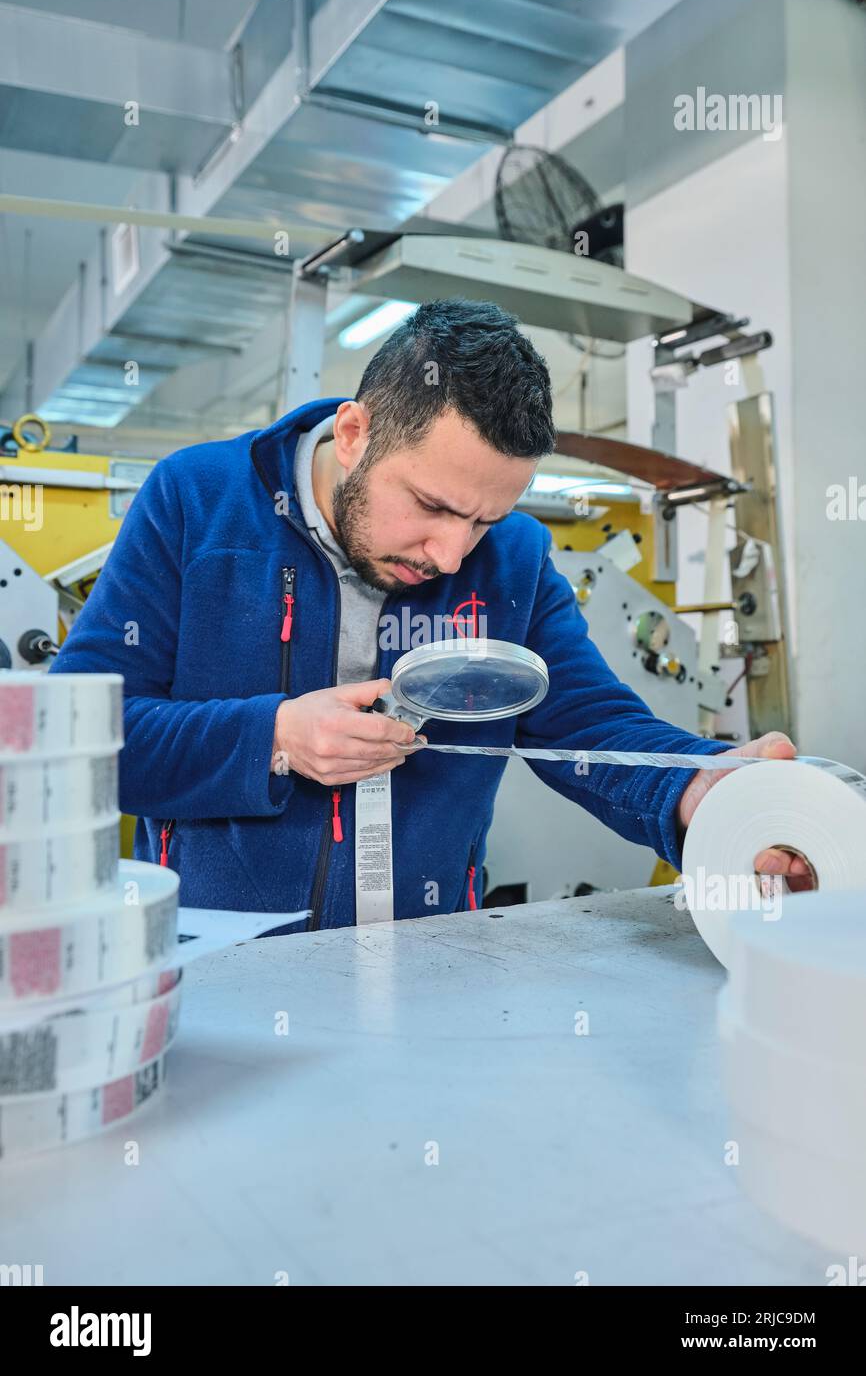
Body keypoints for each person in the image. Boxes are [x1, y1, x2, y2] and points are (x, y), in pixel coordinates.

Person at [52, 300, 810, 929]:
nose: (451, 556)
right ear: (354, 435)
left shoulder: (513, 559)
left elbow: (590, 724)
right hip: (221, 968)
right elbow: (81, 740)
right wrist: (275, 738)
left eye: (482, 521)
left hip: (433, 967)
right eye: (432, 506)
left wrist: (695, 786)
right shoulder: (197, 502)